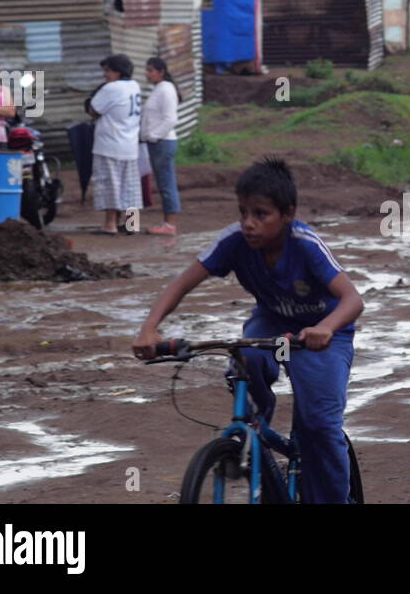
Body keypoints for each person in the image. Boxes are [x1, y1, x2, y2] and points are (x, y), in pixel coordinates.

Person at [131, 158, 364, 503]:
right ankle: (254, 434)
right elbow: (181, 284)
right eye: (243, 213)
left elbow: (352, 300)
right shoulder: (233, 242)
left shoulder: (304, 243)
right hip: (271, 323)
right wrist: (150, 329)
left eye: (260, 214)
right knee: (247, 356)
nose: (248, 224)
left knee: (319, 426)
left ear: (287, 214)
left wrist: (325, 328)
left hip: (321, 334)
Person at [88, 54, 142, 235]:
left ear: (117, 72)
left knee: (111, 186)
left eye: (108, 71)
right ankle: (132, 224)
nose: (105, 75)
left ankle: (110, 225)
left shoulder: (112, 88)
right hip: (130, 145)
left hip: (109, 145)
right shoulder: (134, 86)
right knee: (131, 187)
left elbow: (93, 110)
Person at [141, 57, 181, 235]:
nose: (148, 74)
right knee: (164, 182)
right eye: (147, 70)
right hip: (158, 142)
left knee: (166, 183)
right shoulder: (159, 89)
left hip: (162, 142)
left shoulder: (166, 89)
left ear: (161, 72)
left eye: (151, 70)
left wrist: (153, 136)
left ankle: (170, 224)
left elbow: (171, 119)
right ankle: (167, 223)